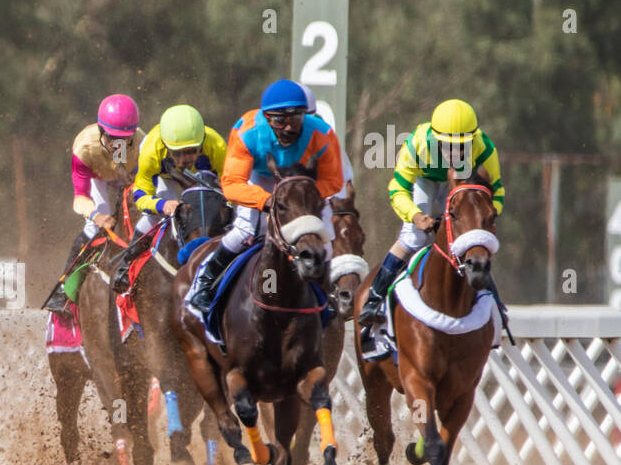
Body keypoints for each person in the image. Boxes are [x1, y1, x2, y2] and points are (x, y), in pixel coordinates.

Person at [185, 78, 343, 314]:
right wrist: (266, 200)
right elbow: (232, 183)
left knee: (325, 237)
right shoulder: (247, 132)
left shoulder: (322, 134)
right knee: (245, 230)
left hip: (300, 184)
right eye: (280, 121)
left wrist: (301, 199)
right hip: (262, 176)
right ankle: (204, 283)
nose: (289, 128)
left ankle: (327, 292)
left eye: (296, 118)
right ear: (268, 119)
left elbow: (333, 181)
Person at [357, 99, 504, 345]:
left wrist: (486, 216)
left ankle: (496, 303)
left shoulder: (485, 148)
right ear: (436, 139)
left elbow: (497, 191)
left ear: (473, 140)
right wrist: (415, 216)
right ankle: (374, 299)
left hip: (461, 181)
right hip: (425, 181)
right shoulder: (416, 143)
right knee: (414, 237)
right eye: (448, 146)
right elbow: (398, 189)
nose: (456, 153)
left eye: (462, 147)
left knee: (472, 239)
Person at [107, 104, 228, 293]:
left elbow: (231, 186)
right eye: (177, 153)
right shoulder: (151, 151)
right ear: (165, 146)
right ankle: (126, 264)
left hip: (205, 178)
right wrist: (163, 205)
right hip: (165, 177)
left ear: (202, 143)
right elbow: (140, 196)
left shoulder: (217, 146)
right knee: (155, 217)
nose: (184, 160)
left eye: (190, 151)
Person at [40, 94, 143, 313]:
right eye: (113, 139)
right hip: (98, 177)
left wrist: (128, 178)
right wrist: (96, 215)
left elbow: (140, 180)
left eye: (125, 140)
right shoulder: (85, 148)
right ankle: (64, 292)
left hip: (126, 175)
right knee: (95, 226)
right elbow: (80, 197)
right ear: (101, 131)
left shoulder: (141, 143)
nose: (119, 145)